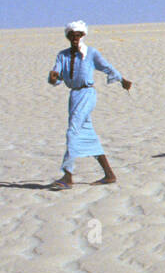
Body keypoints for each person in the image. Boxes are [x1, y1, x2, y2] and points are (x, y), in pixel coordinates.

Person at [46, 21, 132, 189]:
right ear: (68, 37)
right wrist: (53, 78)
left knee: (73, 131)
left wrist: (122, 80)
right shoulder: (62, 56)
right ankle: (109, 174)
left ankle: (67, 175)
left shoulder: (91, 53)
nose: (75, 38)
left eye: (78, 35)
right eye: (72, 35)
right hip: (74, 95)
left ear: (83, 36)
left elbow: (107, 67)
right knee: (87, 132)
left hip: (87, 94)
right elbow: (55, 77)